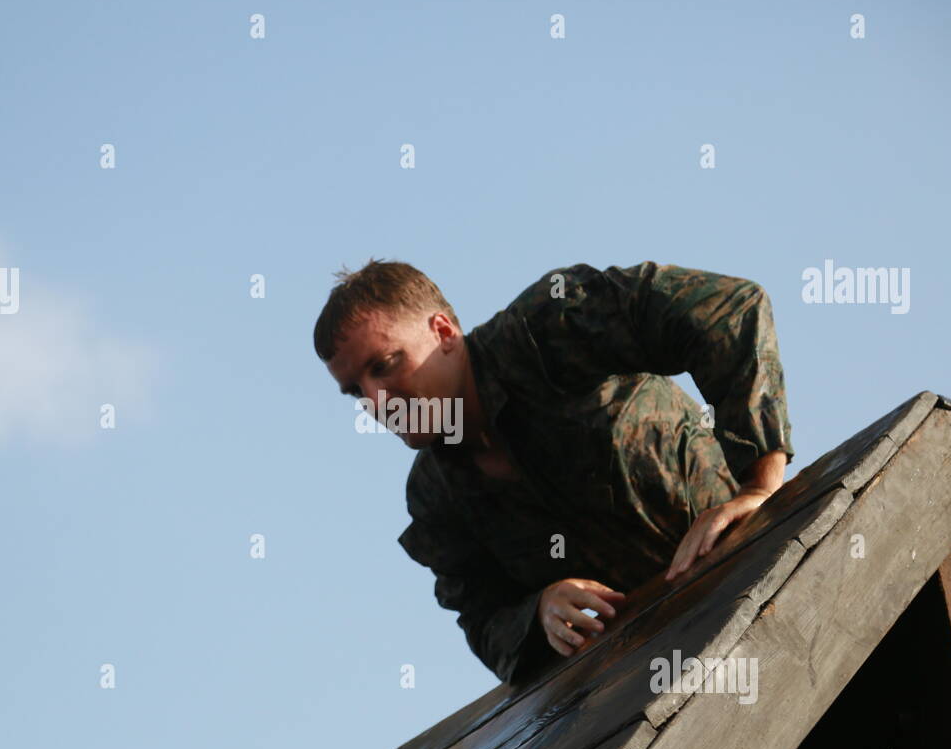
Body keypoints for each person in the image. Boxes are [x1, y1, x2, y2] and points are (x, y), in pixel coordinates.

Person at [315, 258, 794, 684]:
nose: (377, 403)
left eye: (385, 365)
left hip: (777, 582)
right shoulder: (434, 497)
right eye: (357, 392)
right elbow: (485, 622)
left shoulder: (547, 329)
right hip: (663, 682)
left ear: (442, 332)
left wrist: (760, 486)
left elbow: (727, 307)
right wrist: (539, 611)